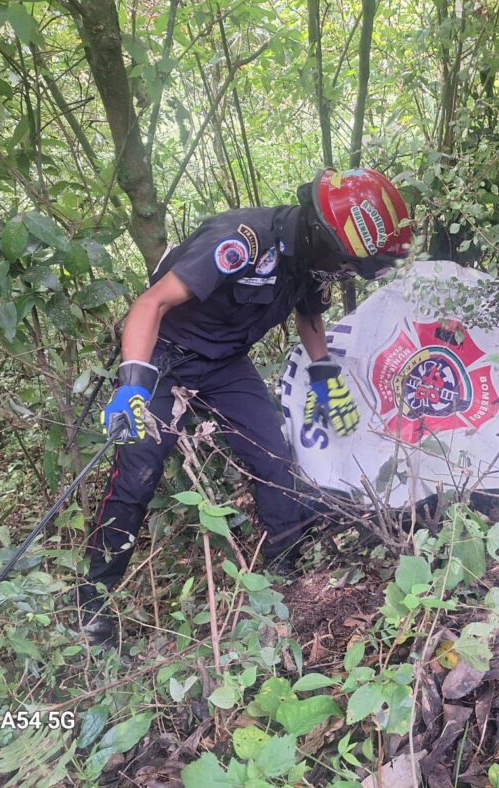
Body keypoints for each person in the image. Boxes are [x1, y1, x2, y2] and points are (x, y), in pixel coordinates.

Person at [78, 168, 412, 645]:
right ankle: (94, 602)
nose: (340, 274)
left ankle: (286, 565)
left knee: (273, 455)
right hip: (164, 359)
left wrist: (323, 373)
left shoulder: (310, 262)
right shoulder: (241, 241)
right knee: (136, 479)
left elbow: (310, 313)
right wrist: (133, 380)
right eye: (342, 264)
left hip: (225, 365)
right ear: (322, 236)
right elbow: (151, 304)